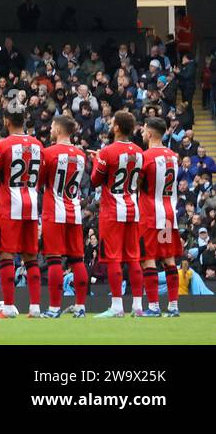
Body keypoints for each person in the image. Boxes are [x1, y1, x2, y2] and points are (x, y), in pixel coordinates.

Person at [90, 110, 146, 318]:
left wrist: (97, 161)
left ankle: (116, 306)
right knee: (133, 258)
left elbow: (95, 180)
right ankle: (138, 306)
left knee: (113, 258)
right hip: (133, 208)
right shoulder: (140, 152)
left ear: (116, 127)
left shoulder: (107, 152)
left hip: (113, 210)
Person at [0, 108, 44, 319]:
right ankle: (35, 307)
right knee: (31, 257)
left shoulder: (2, 145)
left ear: (6, 120)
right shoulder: (38, 145)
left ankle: (9, 307)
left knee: (5, 255)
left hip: (10, 206)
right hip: (31, 206)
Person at [37, 116, 89, 318]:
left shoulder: (48, 153)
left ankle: (54, 308)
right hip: (74, 211)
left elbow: (40, 182)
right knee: (77, 260)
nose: (50, 129)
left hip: (54, 211)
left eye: (51, 127)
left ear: (58, 129)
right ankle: (81, 306)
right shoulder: (81, 154)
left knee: (54, 260)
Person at [139, 116, 182, 317]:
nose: (142, 132)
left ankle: (154, 306)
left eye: (144, 129)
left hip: (149, 214)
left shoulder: (146, 157)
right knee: (168, 259)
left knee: (148, 260)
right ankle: (173, 306)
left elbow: (136, 184)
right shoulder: (173, 155)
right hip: (168, 215)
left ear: (149, 133)